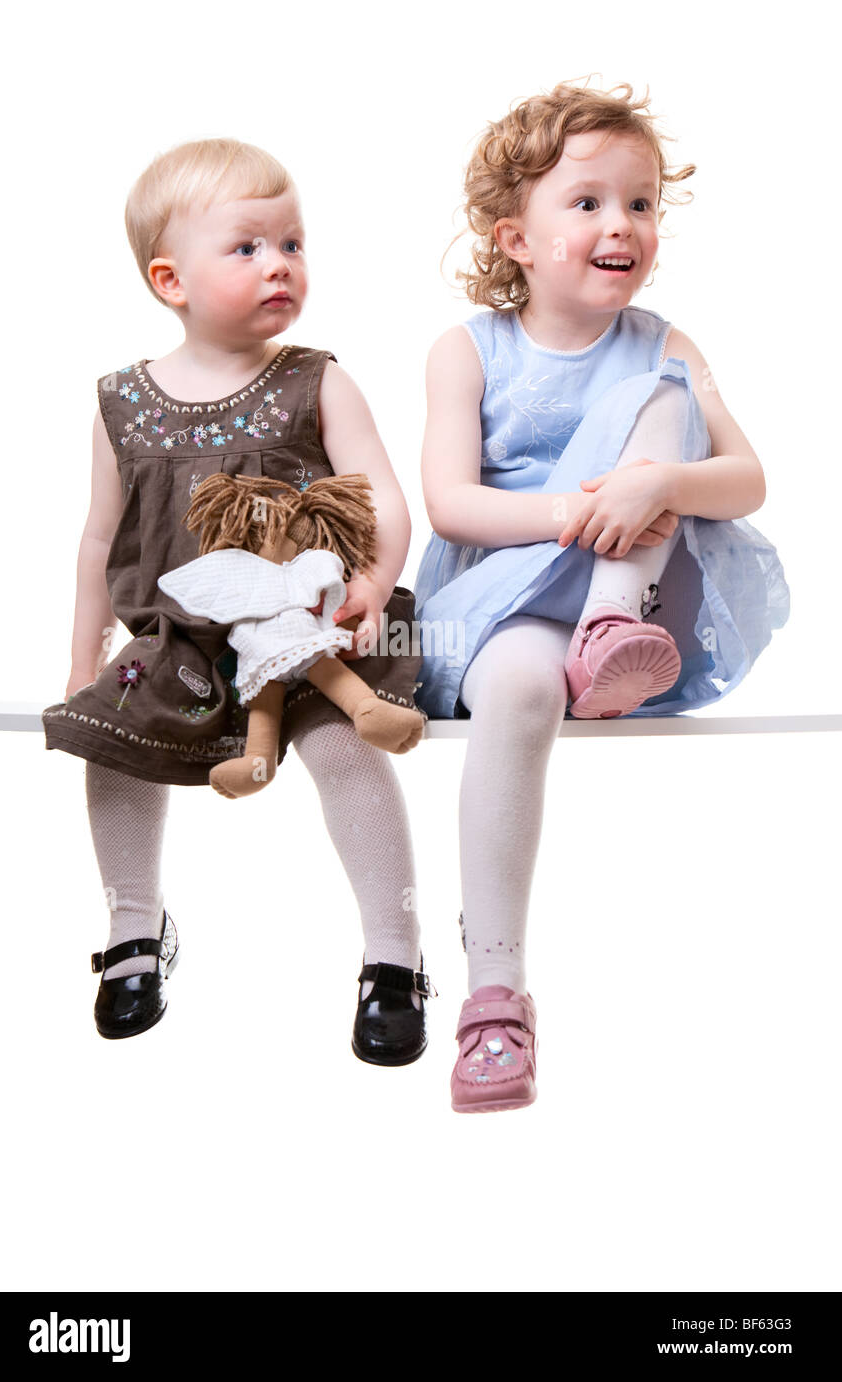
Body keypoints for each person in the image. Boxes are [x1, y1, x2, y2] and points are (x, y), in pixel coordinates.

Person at [413, 80, 790, 1113]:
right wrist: (578, 512)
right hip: (500, 606)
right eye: (584, 203)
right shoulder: (468, 350)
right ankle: (494, 991)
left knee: (654, 401)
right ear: (516, 239)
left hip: (621, 603)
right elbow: (449, 506)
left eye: (639, 202)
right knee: (524, 692)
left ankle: (610, 626)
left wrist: (658, 482)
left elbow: (747, 478)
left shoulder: (665, 346)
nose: (620, 224)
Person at [42, 138, 435, 1061]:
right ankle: (134, 932)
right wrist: (78, 658)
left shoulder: (317, 379)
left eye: (292, 244)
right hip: (178, 637)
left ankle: (393, 954)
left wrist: (371, 585)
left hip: (309, 626)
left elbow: (379, 492)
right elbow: (99, 539)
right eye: (249, 247)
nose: (281, 265)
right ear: (169, 279)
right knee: (117, 743)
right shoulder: (121, 405)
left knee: (344, 750)